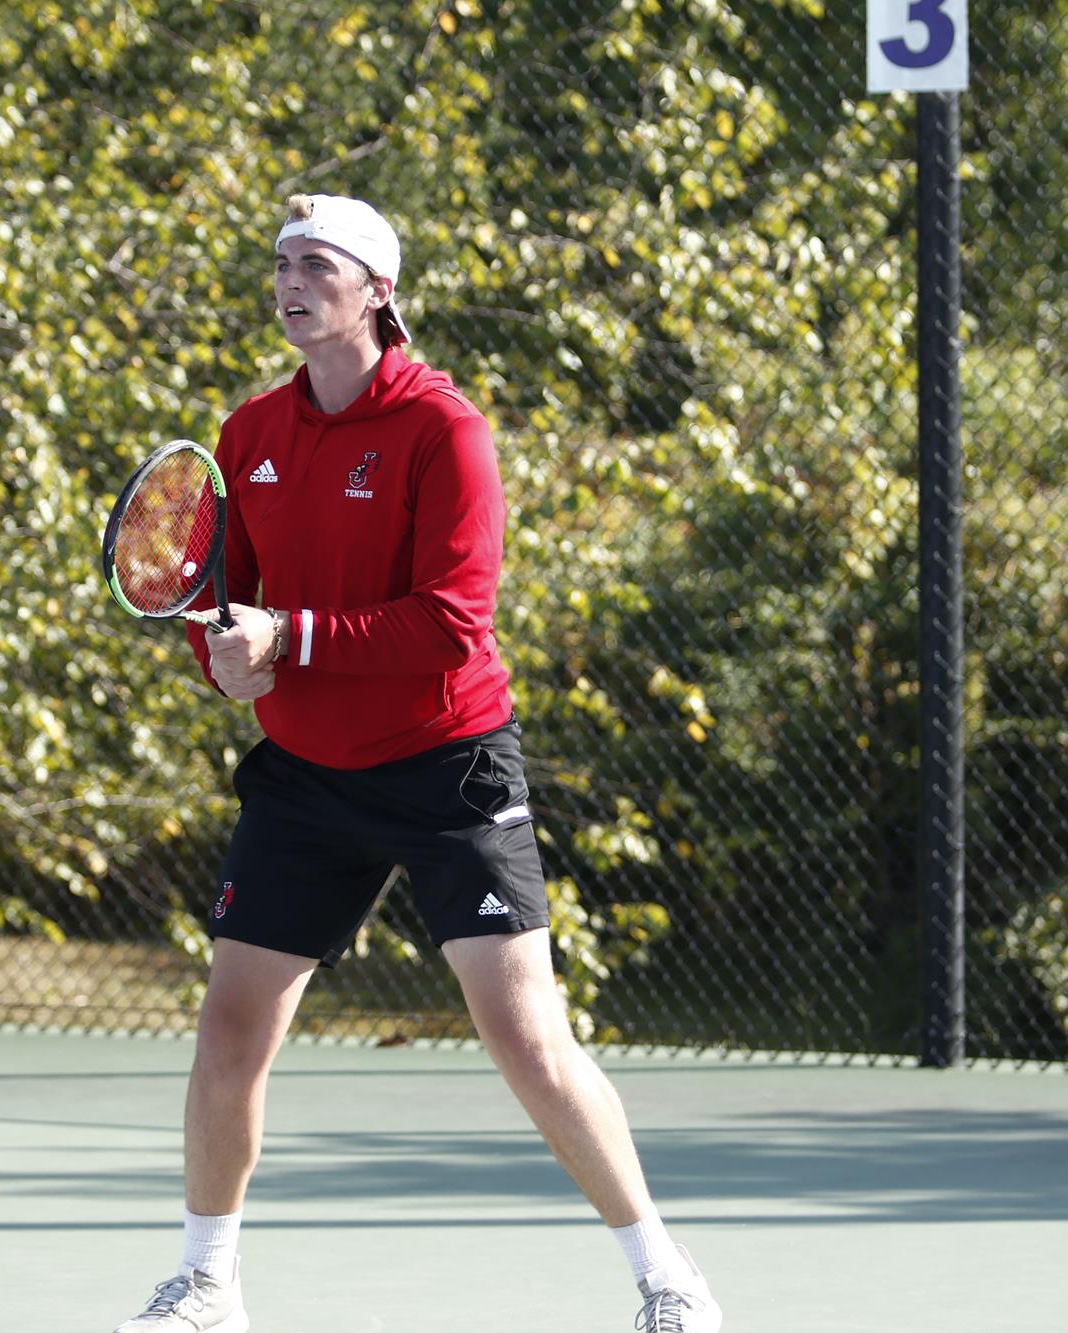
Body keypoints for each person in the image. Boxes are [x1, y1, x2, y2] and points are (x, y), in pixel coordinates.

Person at [111, 194, 723, 1333]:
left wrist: (284, 640)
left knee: (527, 1038)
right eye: (280, 262)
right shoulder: (248, 436)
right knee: (230, 1029)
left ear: (377, 291)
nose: (289, 279)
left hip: (447, 769)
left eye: (315, 263)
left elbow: (450, 622)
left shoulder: (447, 431)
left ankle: (666, 1278)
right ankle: (205, 1284)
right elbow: (222, 606)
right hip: (304, 777)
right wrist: (224, 664)